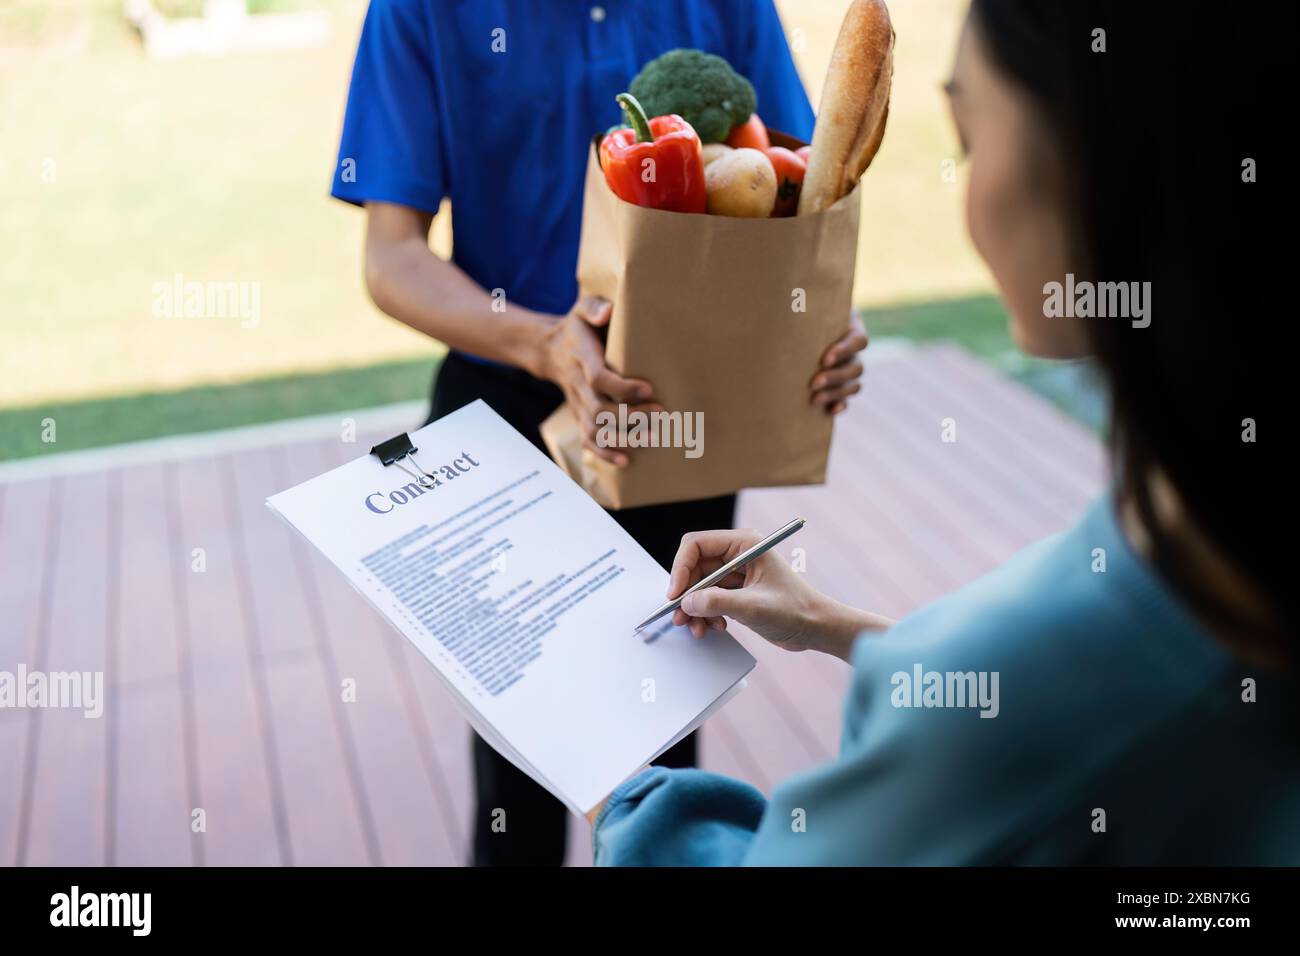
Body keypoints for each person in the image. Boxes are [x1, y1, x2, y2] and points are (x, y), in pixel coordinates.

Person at [589, 0, 1294, 865]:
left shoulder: (1062, 689)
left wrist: (623, 788)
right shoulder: (1214, 559)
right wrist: (831, 624)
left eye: (968, 138)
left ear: (1094, 170)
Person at [331, 0, 868, 866]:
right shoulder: (418, 10)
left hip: (677, 415)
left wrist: (826, 325)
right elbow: (391, 258)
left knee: (664, 752)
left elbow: (801, 195)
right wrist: (546, 343)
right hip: (502, 417)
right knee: (523, 766)